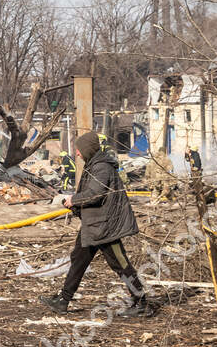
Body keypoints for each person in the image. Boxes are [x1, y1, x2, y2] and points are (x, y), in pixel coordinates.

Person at [40, 131, 155, 318]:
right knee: (79, 259)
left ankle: (141, 301)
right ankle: (63, 300)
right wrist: (75, 203)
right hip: (94, 225)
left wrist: (73, 200)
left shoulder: (101, 167)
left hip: (106, 227)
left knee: (121, 264)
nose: (77, 154)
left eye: (79, 150)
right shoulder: (94, 165)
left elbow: (95, 193)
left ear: (87, 150)